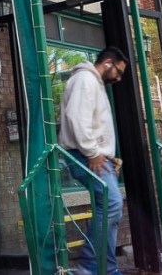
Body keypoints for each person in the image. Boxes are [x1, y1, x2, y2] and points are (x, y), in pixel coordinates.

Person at [59, 46, 128, 275]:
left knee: (111, 212)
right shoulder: (85, 79)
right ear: (108, 62)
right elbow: (77, 119)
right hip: (85, 154)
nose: (118, 78)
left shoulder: (94, 83)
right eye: (118, 71)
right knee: (112, 204)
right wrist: (94, 153)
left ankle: (106, 269)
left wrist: (108, 156)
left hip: (95, 155)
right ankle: (89, 267)